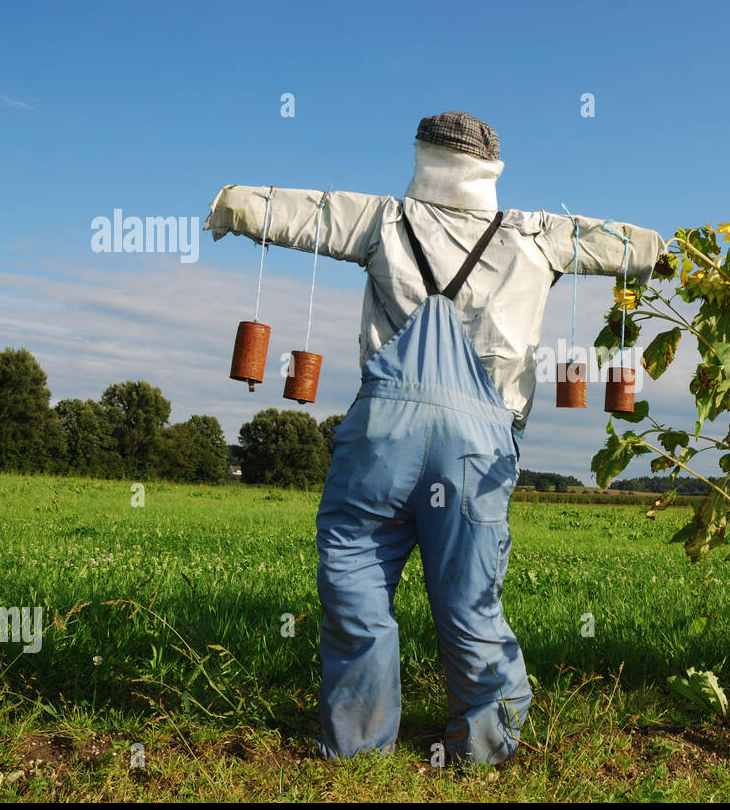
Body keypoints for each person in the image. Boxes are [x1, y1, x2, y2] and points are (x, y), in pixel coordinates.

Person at [204, 111, 665, 765]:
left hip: (382, 438)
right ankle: (485, 745)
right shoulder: (538, 236)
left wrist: (232, 205)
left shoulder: (382, 220)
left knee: (355, 576)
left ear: (422, 158)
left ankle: (358, 744)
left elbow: (301, 211)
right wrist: (674, 257)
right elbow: (628, 244)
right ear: (490, 169)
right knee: (470, 600)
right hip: (480, 449)